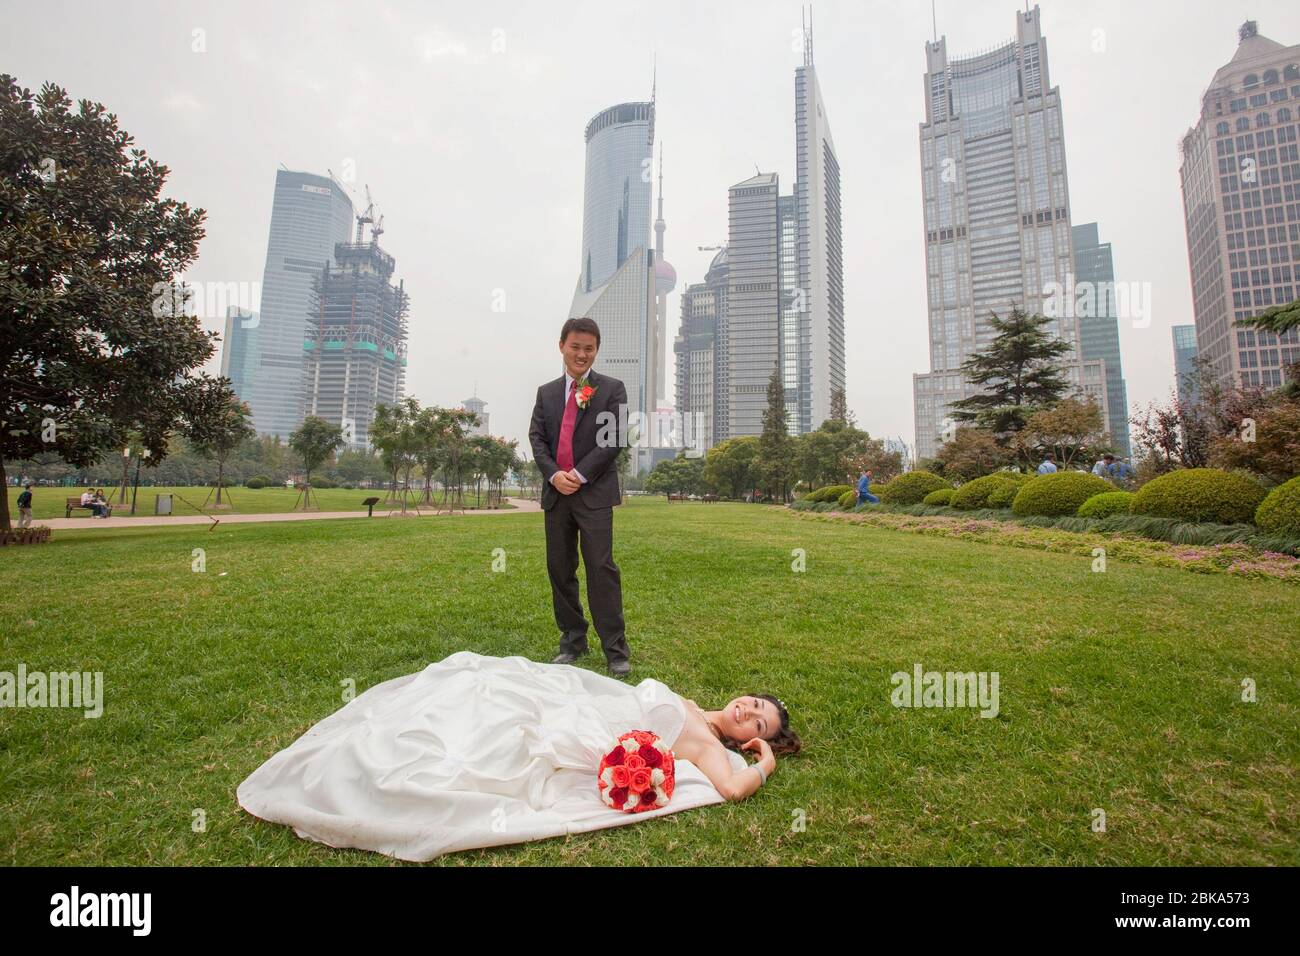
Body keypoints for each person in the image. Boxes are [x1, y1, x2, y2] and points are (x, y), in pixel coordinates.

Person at [236, 651, 801, 862]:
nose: (748, 711)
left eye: (759, 723)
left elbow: (731, 790)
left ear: (748, 739)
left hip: (588, 723)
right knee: (482, 681)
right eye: (754, 702)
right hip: (584, 696)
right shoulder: (700, 710)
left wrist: (764, 766)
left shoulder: (706, 744)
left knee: (496, 728)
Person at [529, 317, 632, 678]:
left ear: (596, 351)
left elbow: (614, 438)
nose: (581, 354)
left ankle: (616, 650)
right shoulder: (546, 393)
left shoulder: (612, 389)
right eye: (575, 346)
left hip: (594, 495)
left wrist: (579, 474)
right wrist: (555, 474)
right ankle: (573, 641)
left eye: (589, 349)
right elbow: (537, 438)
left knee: (601, 569)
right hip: (556, 495)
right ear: (562, 346)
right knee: (560, 569)